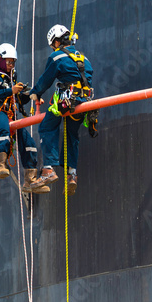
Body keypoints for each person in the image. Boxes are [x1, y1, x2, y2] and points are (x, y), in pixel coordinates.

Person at [26, 24, 96, 195]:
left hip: (67, 101)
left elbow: (46, 79)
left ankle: (48, 169)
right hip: (84, 103)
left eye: (53, 45)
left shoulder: (57, 57)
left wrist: (35, 93)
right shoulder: (85, 59)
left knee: (47, 126)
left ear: (56, 42)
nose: (53, 48)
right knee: (72, 135)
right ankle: (72, 174)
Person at [0, 43, 45, 192]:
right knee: (2, 131)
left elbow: (18, 99)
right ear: (0, 60)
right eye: (9, 61)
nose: (11, 65)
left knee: (29, 142)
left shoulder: (10, 79)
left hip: (10, 118)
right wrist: (10, 91)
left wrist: (30, 95)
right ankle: (1, 164)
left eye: (13, 62)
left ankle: (30, 180)